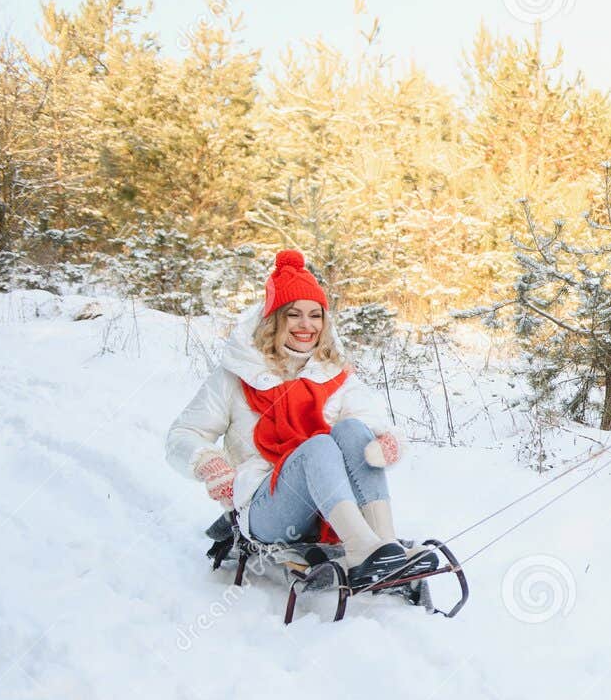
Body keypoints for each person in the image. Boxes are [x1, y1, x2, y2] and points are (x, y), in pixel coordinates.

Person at [167, 249, 423, 591]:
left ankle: (383, 543)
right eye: (294, 315)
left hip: (328, 504)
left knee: (350, 429)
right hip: (266, 507)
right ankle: (361, 547)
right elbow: (183, 434)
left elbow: (366, 422)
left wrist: (385, 441)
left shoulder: (334, 374)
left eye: (315, 315)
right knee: (317, 445)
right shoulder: (236, 376)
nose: (307, 326)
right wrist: (209, 464)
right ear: (274, 319)